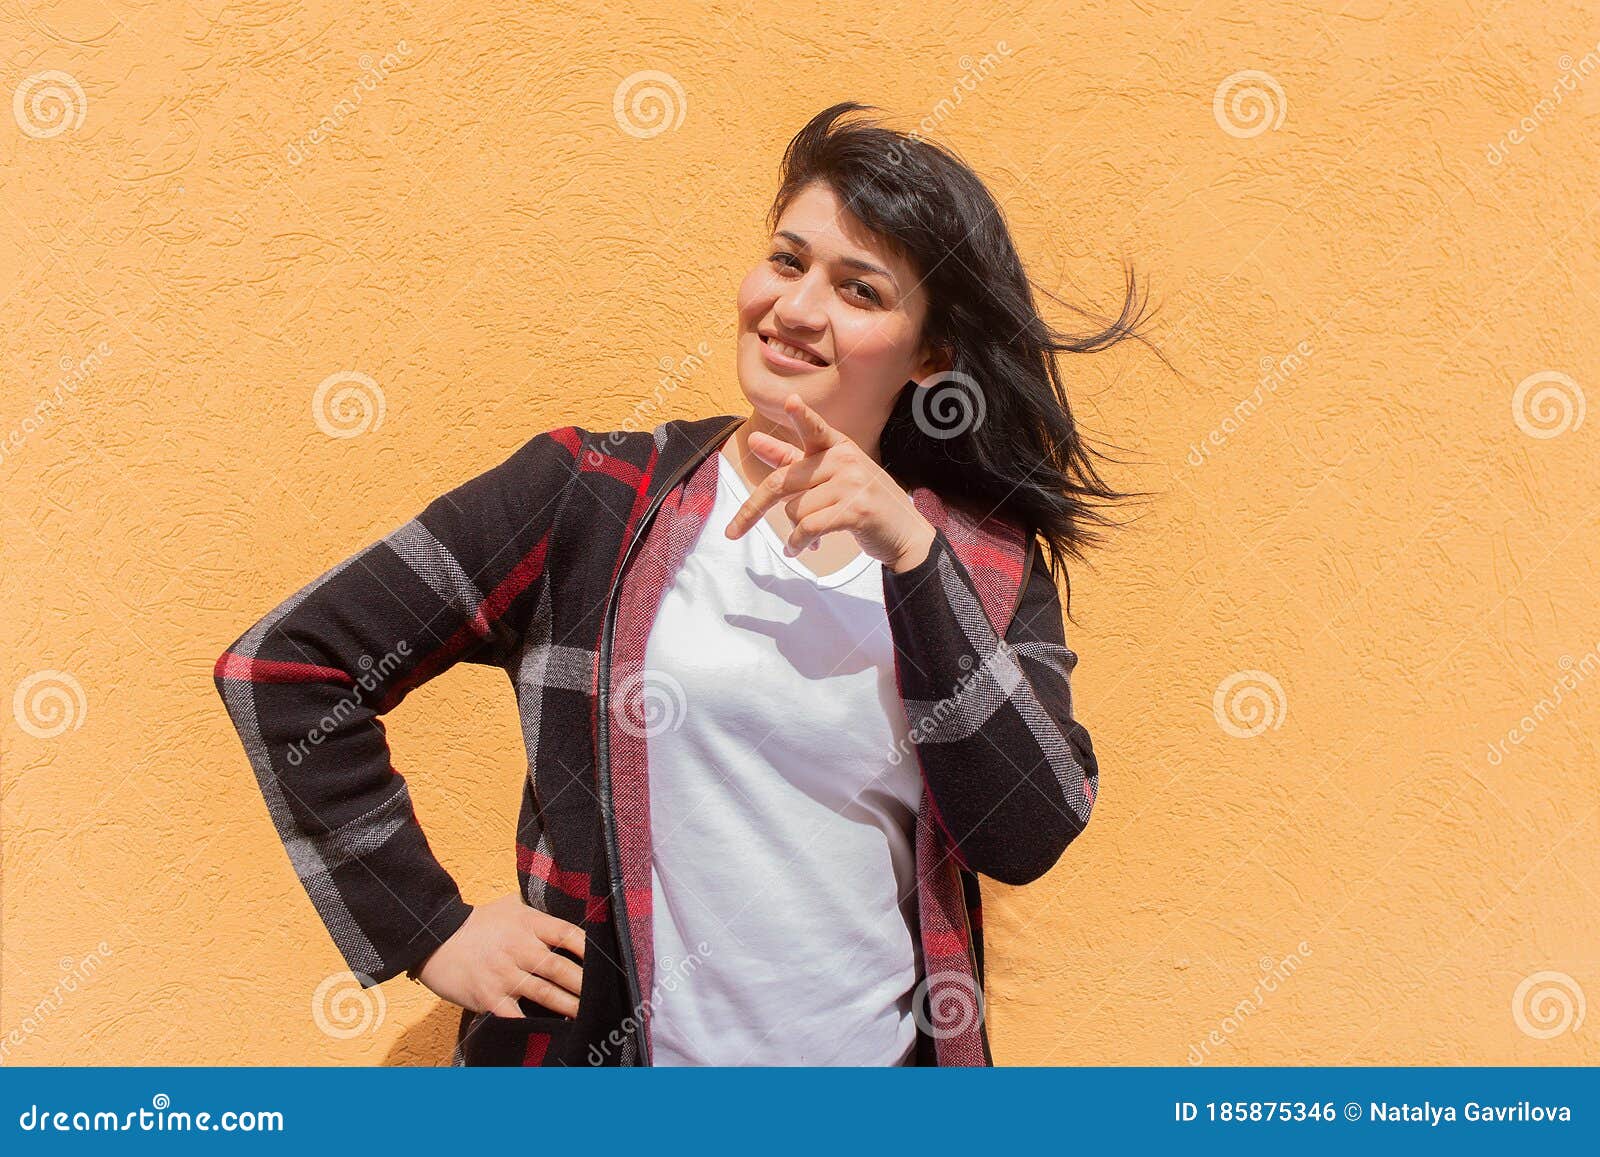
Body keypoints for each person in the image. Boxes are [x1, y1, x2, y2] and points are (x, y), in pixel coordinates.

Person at [213, 101, 1153, 1066]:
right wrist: (429, 928)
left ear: (934, 356)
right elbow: (286, 666)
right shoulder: (588, 496)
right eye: (788, 261)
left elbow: (1026, 833)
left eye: (860, 290)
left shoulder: (980, 564)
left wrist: (913, 556)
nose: (795, 307)